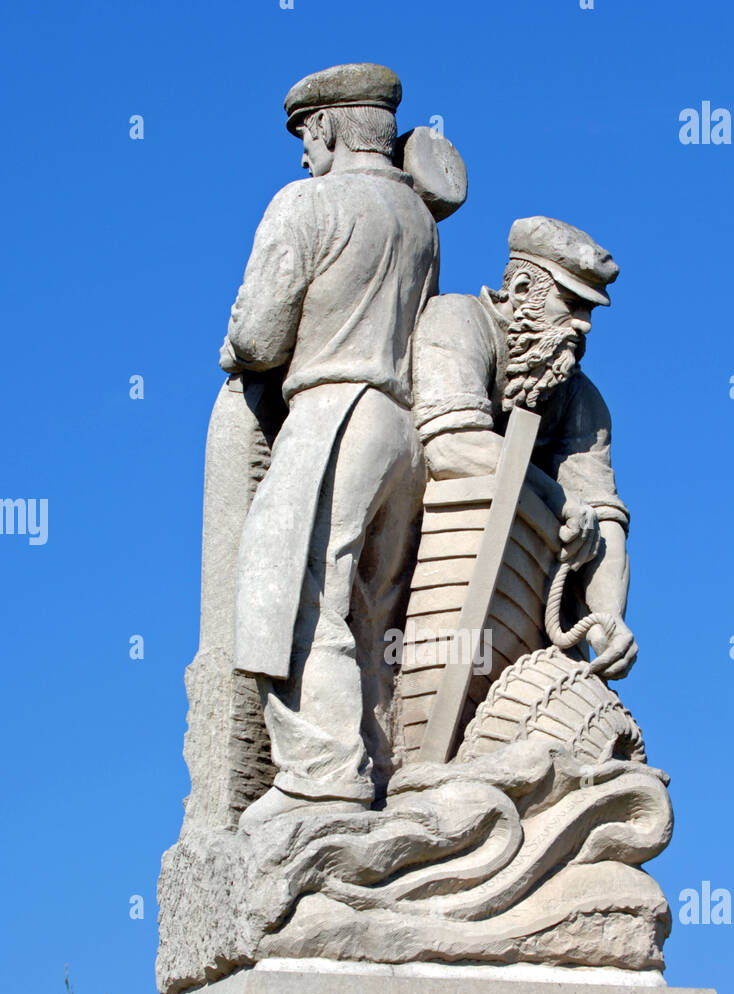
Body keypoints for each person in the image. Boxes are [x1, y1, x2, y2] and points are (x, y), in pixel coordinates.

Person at [218, 64, 440, 828]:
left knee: (300, 593)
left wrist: (237, 347)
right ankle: (376, 768)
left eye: (306, 135)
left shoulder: (309, 203)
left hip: (331, 413)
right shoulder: (419, 220)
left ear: (330, 127)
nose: (302, 152)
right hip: (403, 426)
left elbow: (259, 333)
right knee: (374, 610)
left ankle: (322, 777)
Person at [411, 216, 637, 681]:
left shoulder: (580, 399)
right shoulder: (457, 320)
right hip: (412, 546)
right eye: (571, 304)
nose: (584, 326)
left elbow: (604, 516)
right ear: (518, 290)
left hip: (517, 601)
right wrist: (558, 502)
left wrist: (608, 617)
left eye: (592, 311)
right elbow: (452, 446)